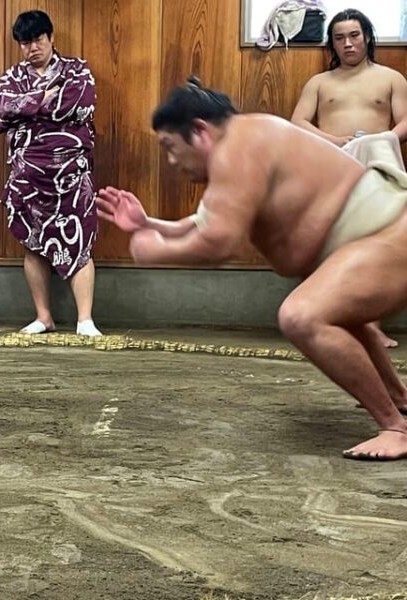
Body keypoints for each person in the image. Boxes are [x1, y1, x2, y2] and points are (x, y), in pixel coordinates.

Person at [97, 78, 407, 461]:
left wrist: (154, 252)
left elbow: (219, 243)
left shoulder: (240, 146)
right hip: (376, 239)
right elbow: (202, 223)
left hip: (388, 234)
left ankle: (395, 428)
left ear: (199, 130)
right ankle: (399, 399)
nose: (172, 162)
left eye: (170, 148)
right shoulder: (244, 143)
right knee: (341, 314)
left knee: (303, 315)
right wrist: (148, 225)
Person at [291, 8, 407, 348]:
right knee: (336, 241)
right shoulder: (319, 83)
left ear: (367, 37)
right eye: (339, 38)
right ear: (332, 44)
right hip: (331, 165)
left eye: (354, 36)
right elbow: (298, 121)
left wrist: (378, 139)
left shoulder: (391, 78)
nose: (347, 44)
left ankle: (371, 325)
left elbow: (405, 121)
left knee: (375, 244)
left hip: (377, 166)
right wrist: (338, 143)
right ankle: (336, 322)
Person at [0, 10, 101, 337]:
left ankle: (85, 320)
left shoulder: (77, 70)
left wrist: (28, 107)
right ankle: (44, 317)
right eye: (25, 43)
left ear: (51, 38)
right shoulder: (12, 77)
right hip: (28, 174)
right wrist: (42, 99)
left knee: (79, 242)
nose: (32, 48)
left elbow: (79, 105)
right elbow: (3, 107)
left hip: (70, 171)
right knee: (34, 243)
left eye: (37, 39)